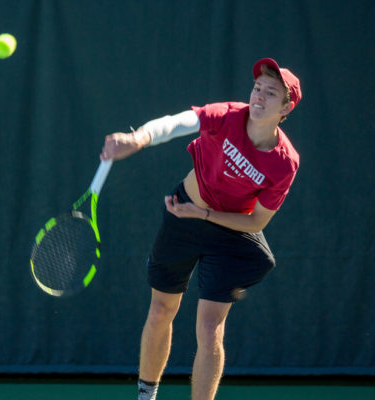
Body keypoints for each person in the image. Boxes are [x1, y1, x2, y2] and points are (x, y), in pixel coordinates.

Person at [100, 58, 302, 400]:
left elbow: (256, 221)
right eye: (257, 88)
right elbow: (177, 123)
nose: (259, 96)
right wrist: (139, 138)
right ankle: (146, 396)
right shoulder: (227, 115)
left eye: (270, 93)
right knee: (161, 310)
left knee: (210, 329)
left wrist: (205, 214)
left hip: (229, 233)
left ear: (286, 108)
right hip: (183, 217)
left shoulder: (285, 162)